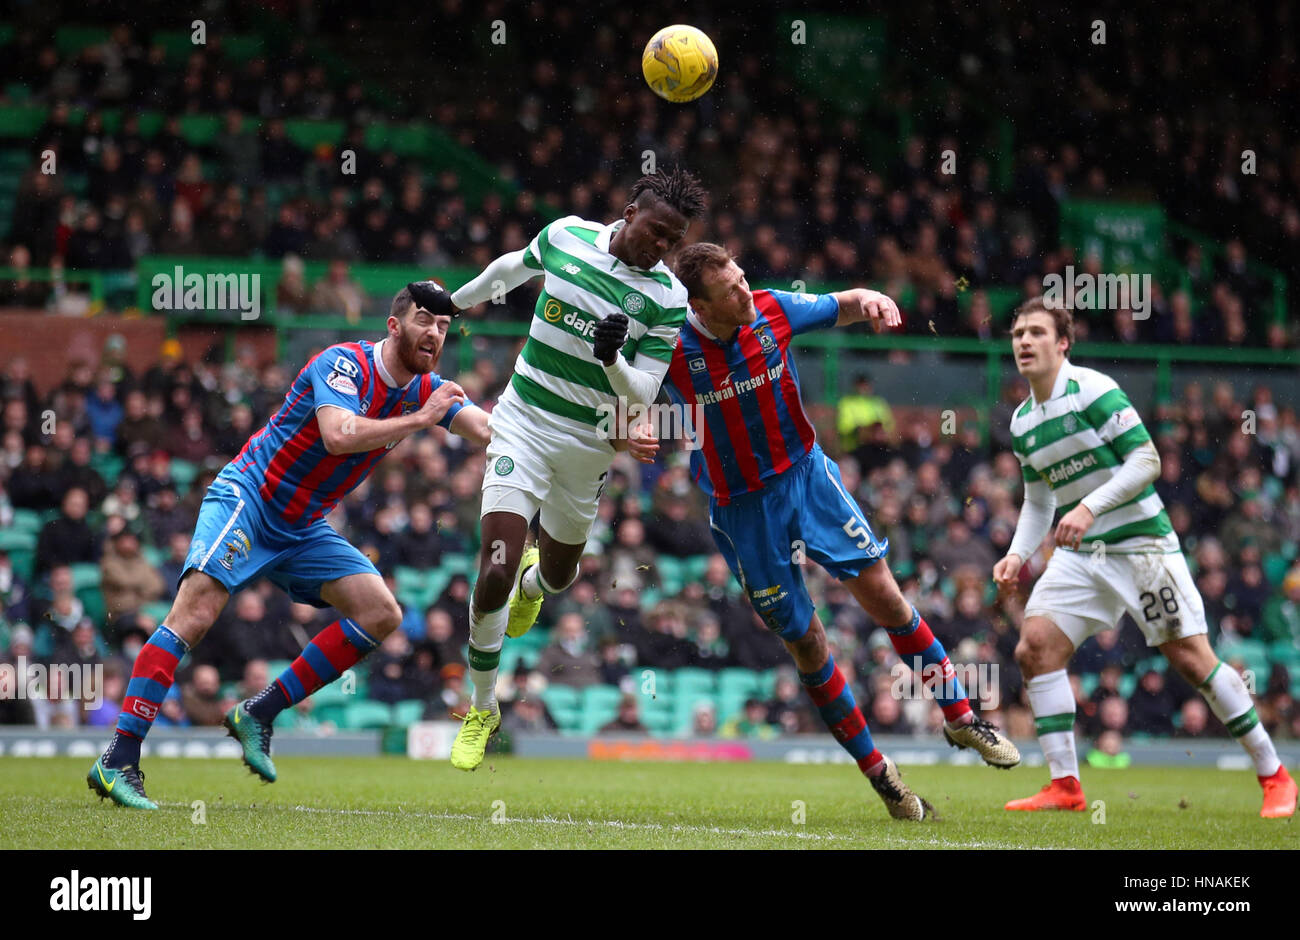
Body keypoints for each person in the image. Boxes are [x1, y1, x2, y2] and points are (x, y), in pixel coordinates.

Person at [86, 281, 492, 809]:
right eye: (423, 321)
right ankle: (118, 758)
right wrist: (422, 419)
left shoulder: (424, 390)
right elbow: (339, 435)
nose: (434, 334)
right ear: (394, 326)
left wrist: (587, 435)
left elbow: (489, 428)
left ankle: (257, 711)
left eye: (442, 326)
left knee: (380, 612)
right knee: (196, 613)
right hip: (251, 498)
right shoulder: (343, 364)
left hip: (303, 526)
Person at [658, 242, 1018, 822]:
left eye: (743, 278)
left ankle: (961, 718)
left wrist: (871, 298)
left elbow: (841, 304)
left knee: (887, 600)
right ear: (698, 303)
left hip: (808, 479)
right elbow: (619, 381)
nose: (745, 292)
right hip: (744, 510)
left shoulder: (773, 308)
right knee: (807, 643)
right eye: (730, 291)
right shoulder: (670, 345)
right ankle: (883, 778)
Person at [430, 168, 707, 770]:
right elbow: (512, 268)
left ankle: (537, 585)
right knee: (495, 567)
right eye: (657, 233)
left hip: (588, 443)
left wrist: (611, 359)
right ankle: (481, 708)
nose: (661, 249)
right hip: (523, 422)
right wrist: (455, 303)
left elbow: (641, 397)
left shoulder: (667, 298)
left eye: (674, 242)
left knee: (557, 577)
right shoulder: (568, 237)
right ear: (630, 213)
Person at [993, 296, 1296, 818]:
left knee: (1191, 659)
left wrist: (1087, 507)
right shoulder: (1022, 421)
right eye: (1019, 333)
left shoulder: (1093, 390)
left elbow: (1147, 459)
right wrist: (1018, 553)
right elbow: (1039, 498)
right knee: (1035, 647)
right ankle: (1065, 786)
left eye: (1037, 332)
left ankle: (1276, 776)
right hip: (1082, 553)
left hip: (1141, 547)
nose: (1024, 341)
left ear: (1062, 343)